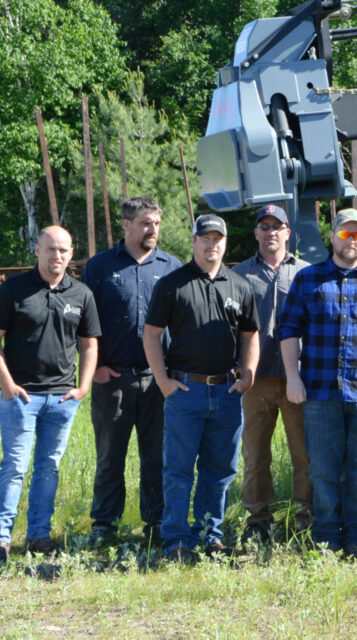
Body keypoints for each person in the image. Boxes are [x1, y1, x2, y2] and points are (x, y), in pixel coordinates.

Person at [278, 208, 357, 558]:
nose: (352, 241)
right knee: (323, 471)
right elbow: (288, 331)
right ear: (332, 235)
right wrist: (293, 378)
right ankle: (327, 539)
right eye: (346, 234)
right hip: (318, 391)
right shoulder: (308, 279)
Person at [144, 214, 259, 563]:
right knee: (179, 469)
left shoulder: (239, 285)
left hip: (226, 392)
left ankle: (211, 536)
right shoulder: (172, 284)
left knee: (220, 469)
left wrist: (249, 373)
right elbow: (151, 334)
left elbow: (250, 334)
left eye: (218, 238)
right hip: (185, 390)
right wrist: (163, 381)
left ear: (225, 242)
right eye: (205, 238)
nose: (213, 244)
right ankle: (176, 540)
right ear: (194, 240)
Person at [82, 197, 181, 546]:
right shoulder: (99, 267)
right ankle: (104, 525)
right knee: (111, 456)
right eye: (144, 223)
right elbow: (84, 322)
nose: (152, 229)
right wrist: (94, 370)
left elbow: (182, 324)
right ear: (126, 225)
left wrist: (172, 376)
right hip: (114, 379)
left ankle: (155, 523)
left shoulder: (172, 266)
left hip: (159, 381)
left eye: (156, 222)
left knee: (157, 456)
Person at [0, 227, 100, 562]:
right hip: (20, 398)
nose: (57, 256)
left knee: (48, 467)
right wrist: (7, 386)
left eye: (63, 250)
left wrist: (83, 386)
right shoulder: (14, 290)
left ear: (71, 253)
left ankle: (38, 537)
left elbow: (89, 345)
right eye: (51, 249)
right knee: (14, 466)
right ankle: (1, 539)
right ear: (37, 250)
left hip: (62, 398)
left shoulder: (81, 294)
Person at [232, 204, 312, 543]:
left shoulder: (306, 272)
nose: (270, 232)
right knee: (255, 455)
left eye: (277, 226)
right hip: (255, 378)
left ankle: (306, 517)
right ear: (256, 233)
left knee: (304, 455)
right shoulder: (238, 274)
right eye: (264, 226)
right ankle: (258, 521)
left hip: (298, 378)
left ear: (287, 232)